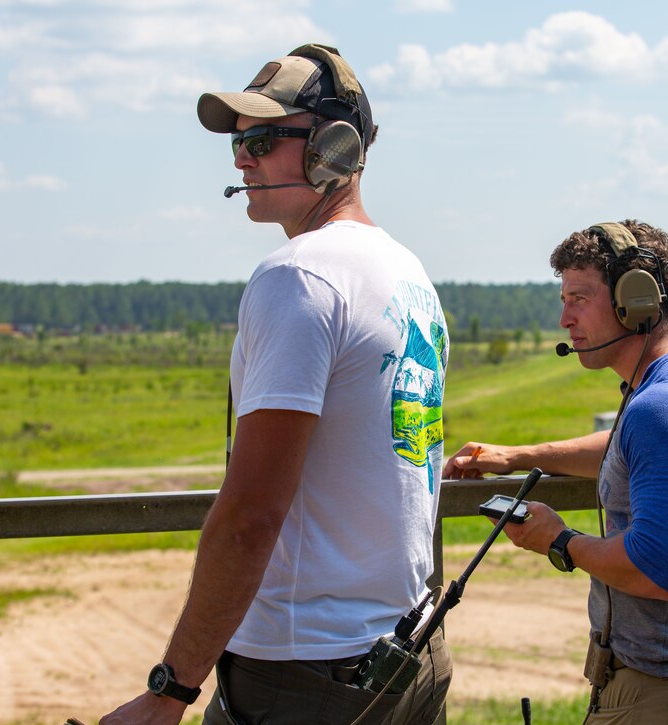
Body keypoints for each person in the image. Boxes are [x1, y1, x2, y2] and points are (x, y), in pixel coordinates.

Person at [100, 44, 451, 725]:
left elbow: (251, 516)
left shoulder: (300, 276)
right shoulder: (411, 278)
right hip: (409, 651)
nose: (241, 159)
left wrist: (170, 688)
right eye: (238, 141)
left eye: (261, 138)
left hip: (307, 674)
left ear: (335, 149)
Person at [444, 220, 668, 724]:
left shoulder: (666, 406)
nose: (565, 318)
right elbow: (631, 453)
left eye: (580, 298)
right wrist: (521, 455)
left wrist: (560, 540)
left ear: (635, 299)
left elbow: (661, 568)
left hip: (667, 692)